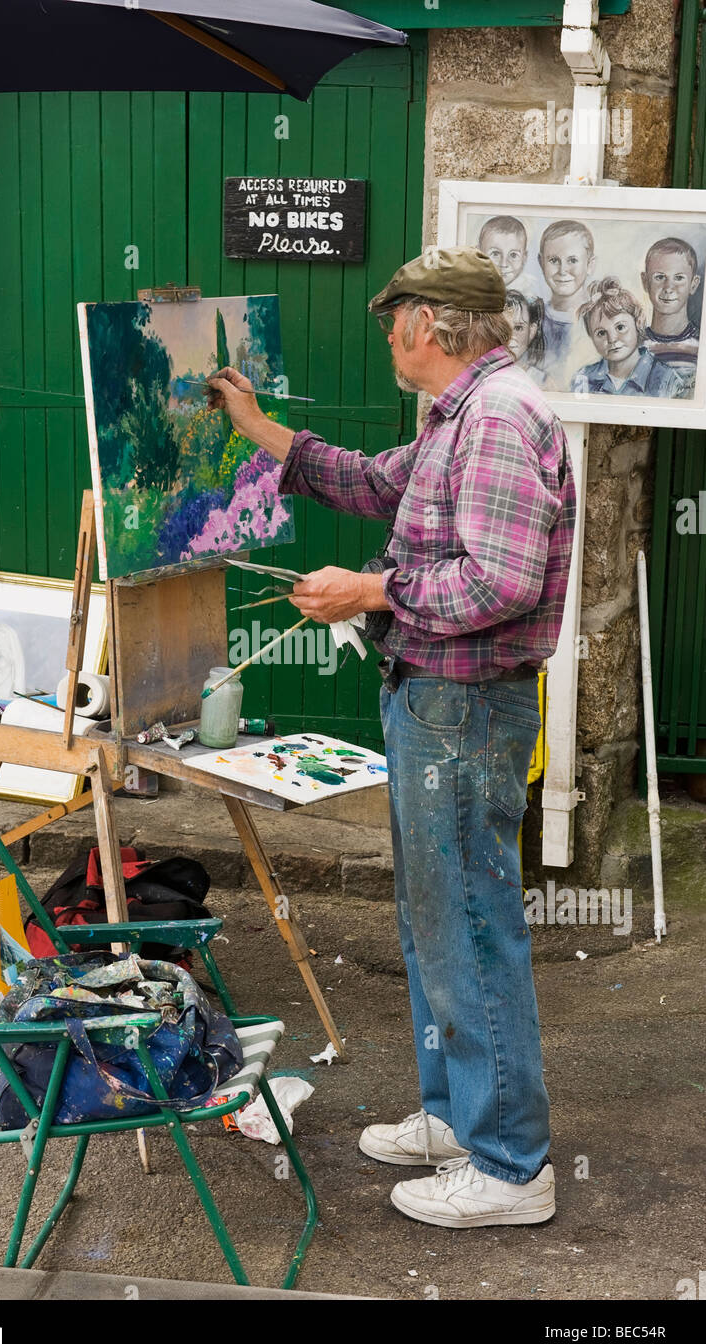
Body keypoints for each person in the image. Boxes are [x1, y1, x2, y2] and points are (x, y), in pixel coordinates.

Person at [209, 245, 576, 1229]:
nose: (384, 336)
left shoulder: (496, 420)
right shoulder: (461, 414)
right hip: (438, 701)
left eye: (390, 320)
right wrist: (257, 427)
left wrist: (370, 590)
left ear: (426, 324)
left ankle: (509, 1167)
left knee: (468, 926)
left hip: (466, 707)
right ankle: (458, 1116)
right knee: (435, 921)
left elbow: (501, 582)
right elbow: (373, 482)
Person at [570, 276, 687, 398]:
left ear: (638, 324)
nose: (612, 339)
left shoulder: (666, 380)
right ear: (591, 337)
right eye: (601, 333)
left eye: (620, 327)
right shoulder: (584, 378)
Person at [640, 236, 701, 395]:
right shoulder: (634, 346)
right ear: (645, 282)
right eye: (660, 277)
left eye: (679, 278)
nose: (668, 288)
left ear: (693, 284)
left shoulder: (704, 347)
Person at [536, 219, 596, 375]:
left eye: (572, 260)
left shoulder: (601, 319)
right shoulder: (532, 319)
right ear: (541, 263)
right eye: (554, 260)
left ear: (590, 265)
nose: (562, 270)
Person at [477, 215, 540, 298]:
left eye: (513, 255)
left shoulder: (529, 297)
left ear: (524, 258)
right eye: (495, 254)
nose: (504, 264)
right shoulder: (470, 291)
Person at [505, 290, 555, 390]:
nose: (510, 336)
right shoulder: (484, 374)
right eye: (503, 328)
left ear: (532, 330)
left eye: (518, 328)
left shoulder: (542, 381)